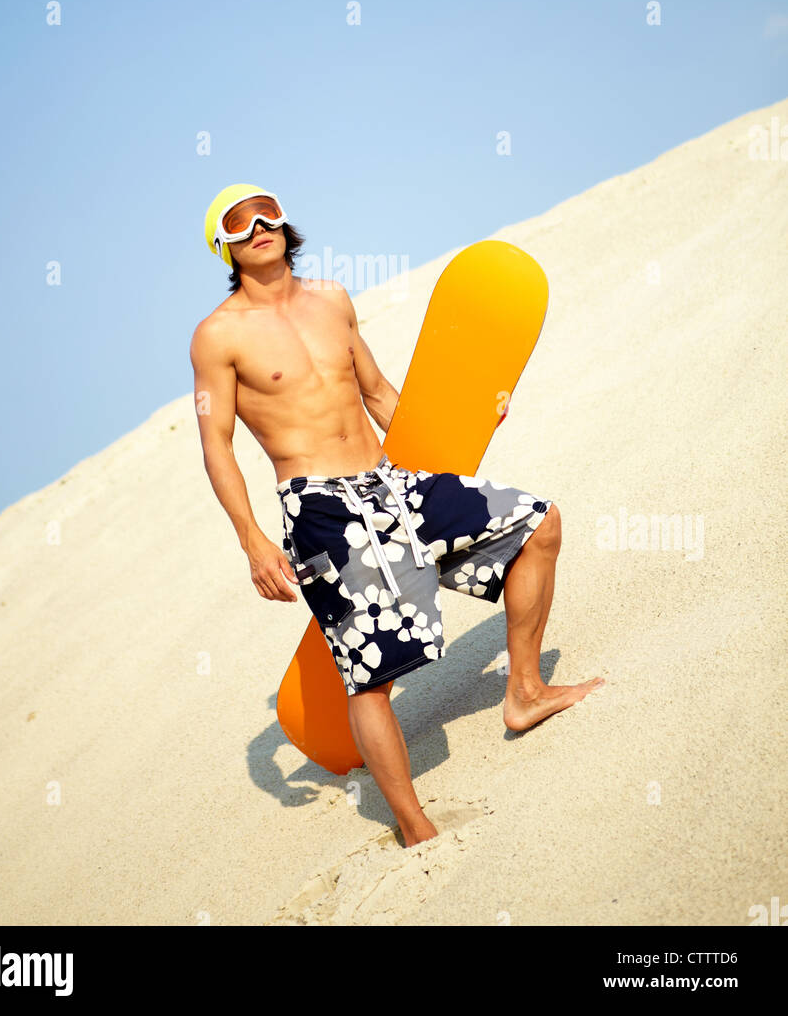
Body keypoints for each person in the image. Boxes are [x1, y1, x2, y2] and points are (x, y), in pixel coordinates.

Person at [190, 183, 604, 847]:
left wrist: (462, 424)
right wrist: (252, 542)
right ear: (225, 245)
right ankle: (414, 827)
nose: (262, 225)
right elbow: (216, 446)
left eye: (270, 211)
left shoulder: (331, 300)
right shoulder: (218, 335)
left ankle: (523, 691)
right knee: (370, 674)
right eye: (242, 221)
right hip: (320, 509)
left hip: (391, 482)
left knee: (539, 524)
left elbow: (379, 392)